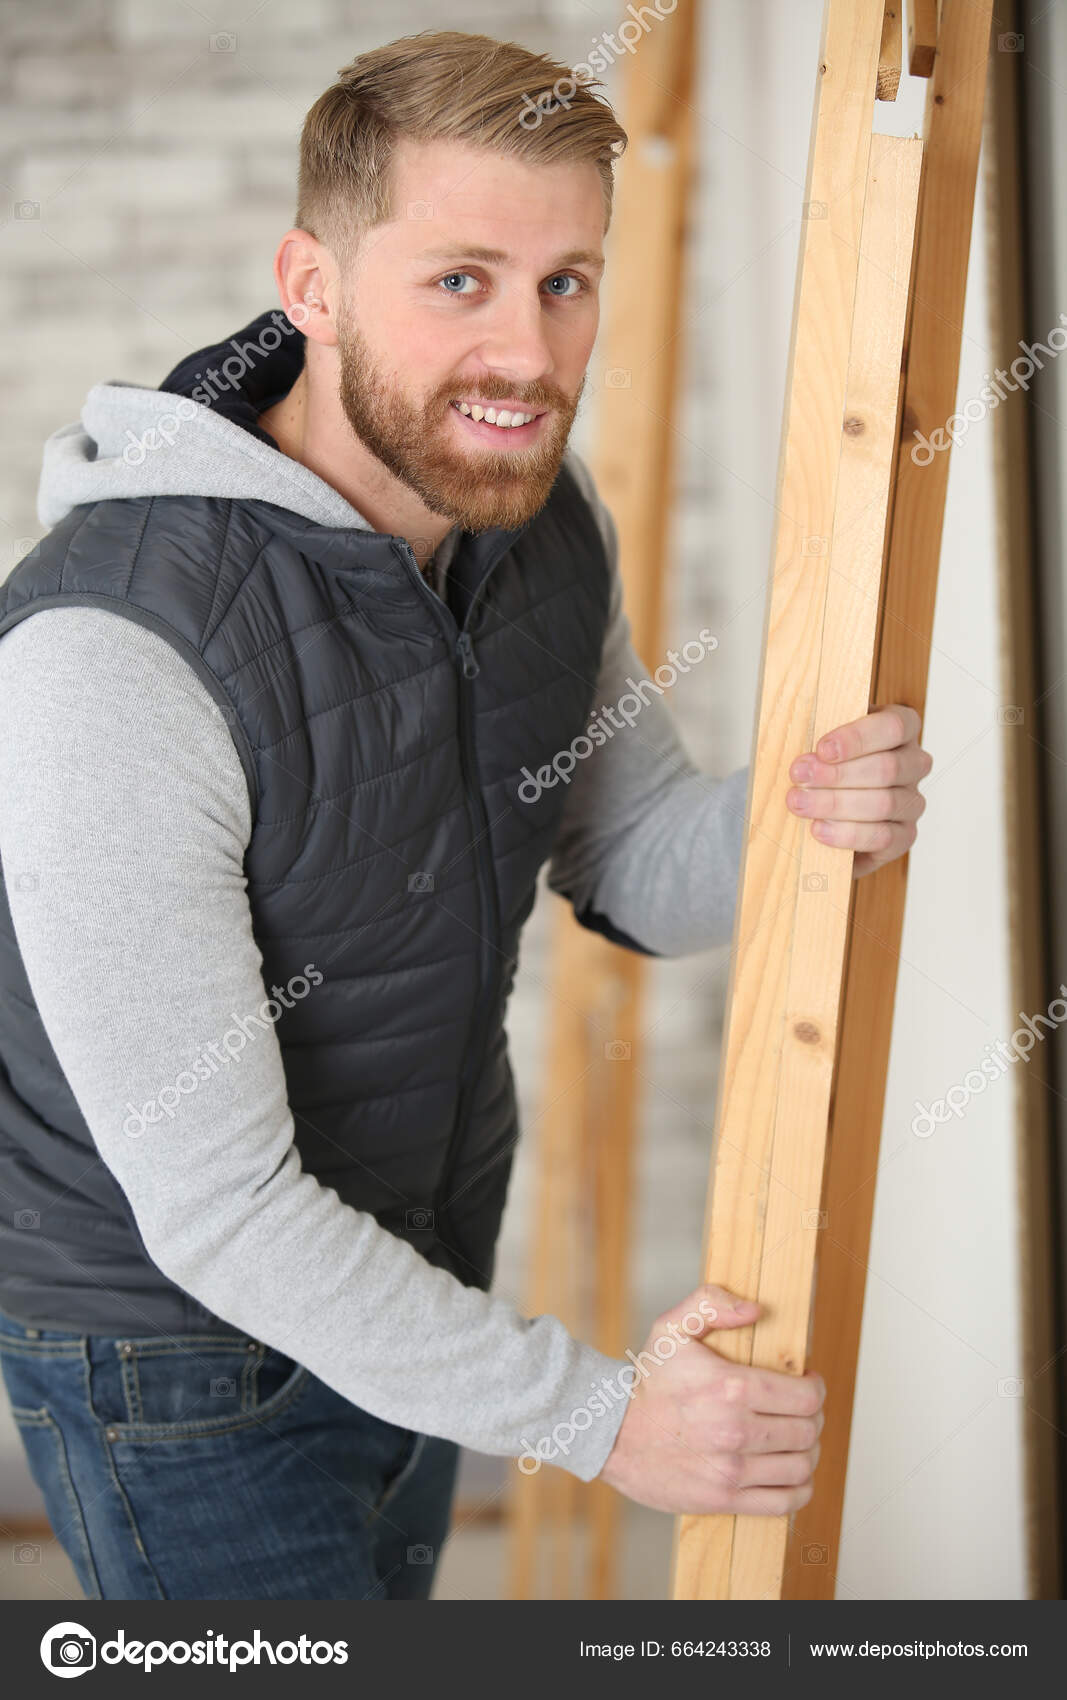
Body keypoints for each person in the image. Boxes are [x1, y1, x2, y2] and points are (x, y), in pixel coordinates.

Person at [0, 30, 931, 1601]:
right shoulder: (111, 650)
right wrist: (602, 1418)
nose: (527, 352)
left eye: (568, 282)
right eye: (460, 281)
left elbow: (628, 858)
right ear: (309, 280)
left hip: (423, 1273)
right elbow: (218, 1213)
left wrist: (798, 821)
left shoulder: (542, 528)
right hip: (172, 1357)